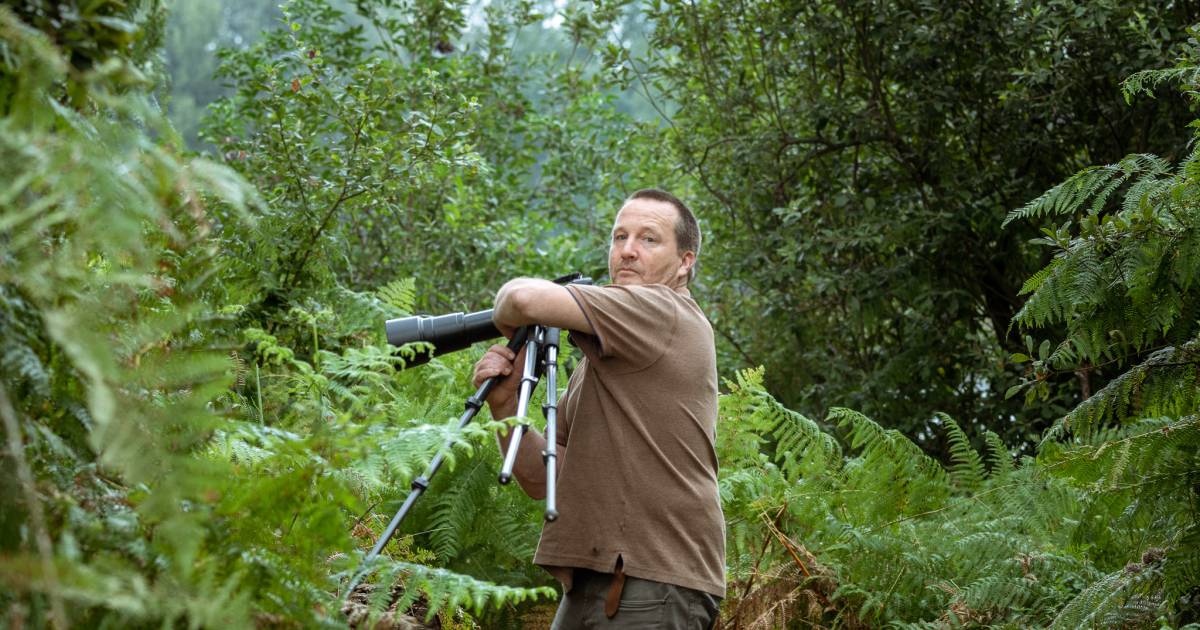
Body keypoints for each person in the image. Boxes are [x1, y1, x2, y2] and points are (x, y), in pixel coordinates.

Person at [472, 189, 724, 628]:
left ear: (685, 262)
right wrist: (505, 405)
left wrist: (510, 307)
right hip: (597, 579)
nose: (627, 250)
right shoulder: (599, 360)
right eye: (619, 237)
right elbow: (541, 478)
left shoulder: (662, 309)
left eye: (648, 239)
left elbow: (523, 299)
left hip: (653, 578)